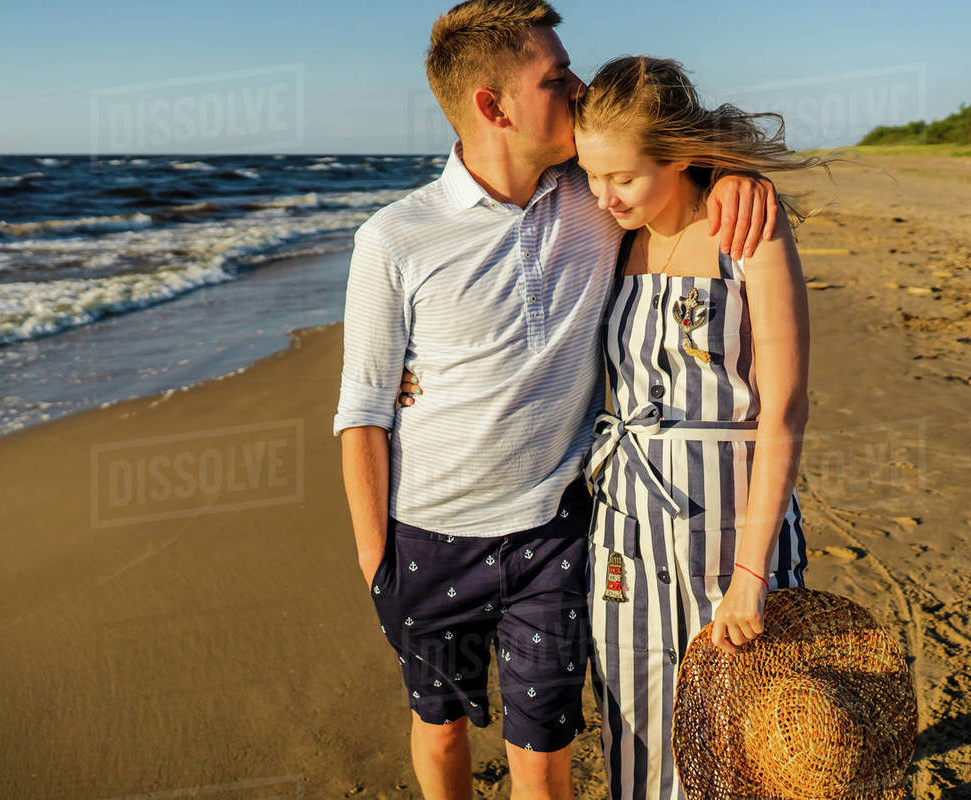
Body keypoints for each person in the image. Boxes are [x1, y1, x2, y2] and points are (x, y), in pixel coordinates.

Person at [333, 2, 777, 798]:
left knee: (544, 753)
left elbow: (663, 164)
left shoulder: (593, 198)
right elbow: (363, 411)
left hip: (553, 534)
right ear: (492, 107)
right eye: (556, 77)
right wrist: (378, 568)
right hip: (426, 541)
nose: (578, 88)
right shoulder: (395, 239)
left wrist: (734, 175)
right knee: (439, 732)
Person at [571, 55, 826, 799]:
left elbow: (784, 407)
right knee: (635, 726)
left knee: (742, 737)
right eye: (591, 175)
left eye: (622, 177)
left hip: (731, 528)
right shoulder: (610, 240)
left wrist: (751, 577)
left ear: (681, 154)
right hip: (622, 524)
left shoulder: (746, 233)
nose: (603, 195)